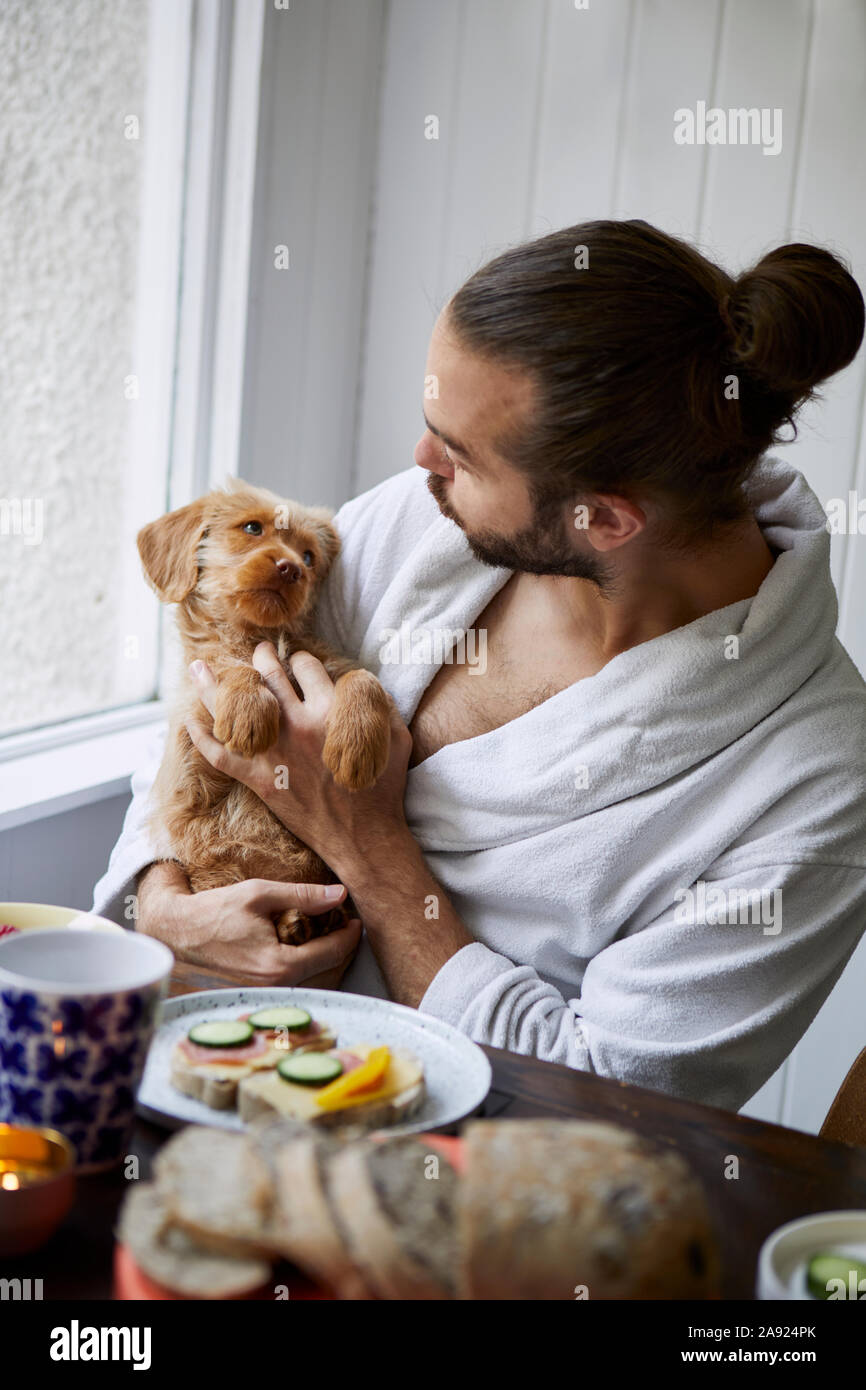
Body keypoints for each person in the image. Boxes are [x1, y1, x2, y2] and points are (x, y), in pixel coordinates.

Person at [93, 219, 866, 1112]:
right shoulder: (422, 528)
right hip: (211, 1080)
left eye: (457, 454)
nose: (422, 464)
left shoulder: (814, 782)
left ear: (603, 521)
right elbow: (213, 690)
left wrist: (372, 849)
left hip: (471, 1196)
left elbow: (607, 1096)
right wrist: (161, 905)